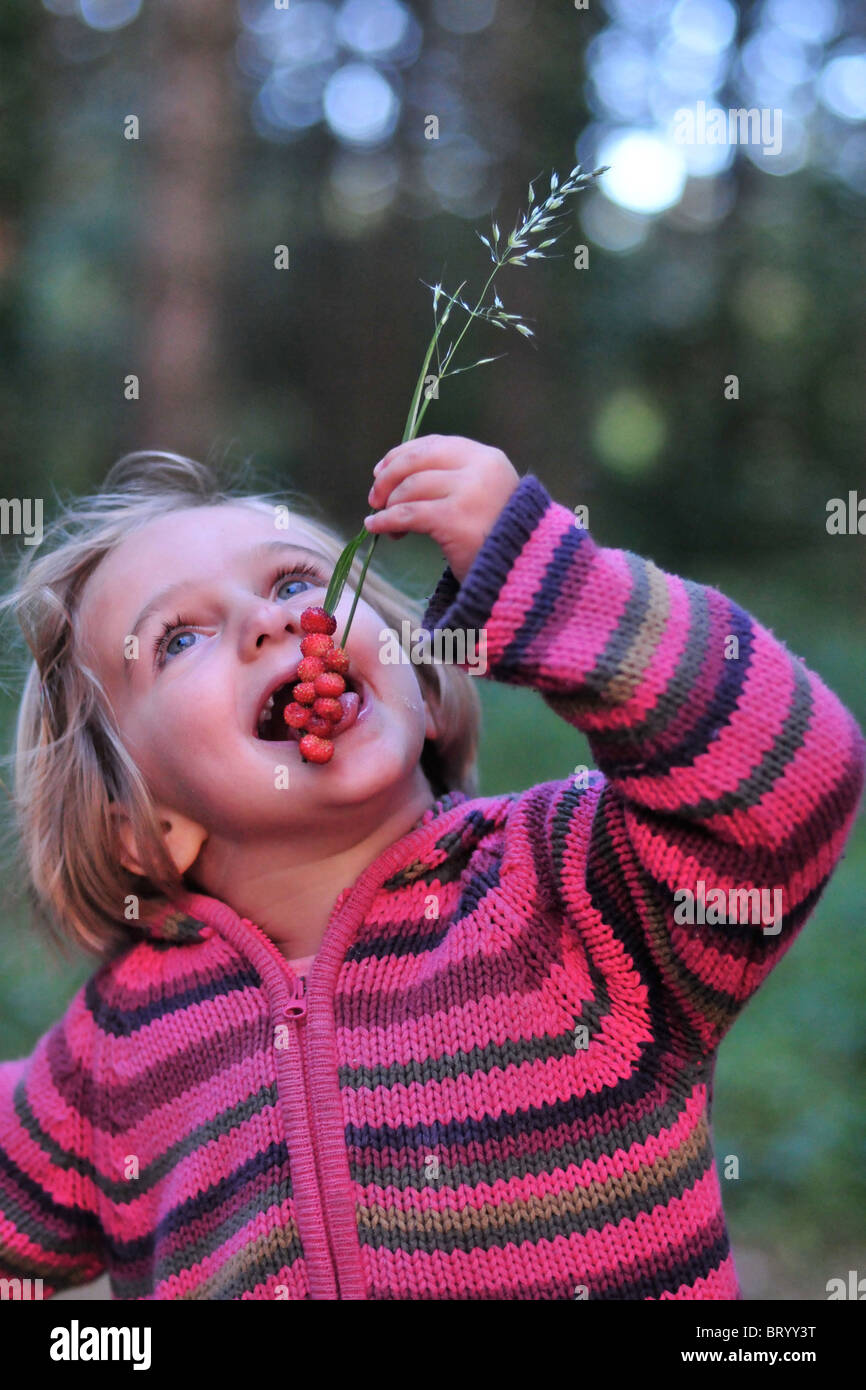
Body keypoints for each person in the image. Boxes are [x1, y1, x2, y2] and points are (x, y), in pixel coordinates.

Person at [0, 434, 862, 1300]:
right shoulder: (115, 1056)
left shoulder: (566, 894)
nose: (270, 622)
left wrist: (549, 580)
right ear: (144, 828)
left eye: (298, 583)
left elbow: (793, 777)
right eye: (179, 638)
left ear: (419, 666)